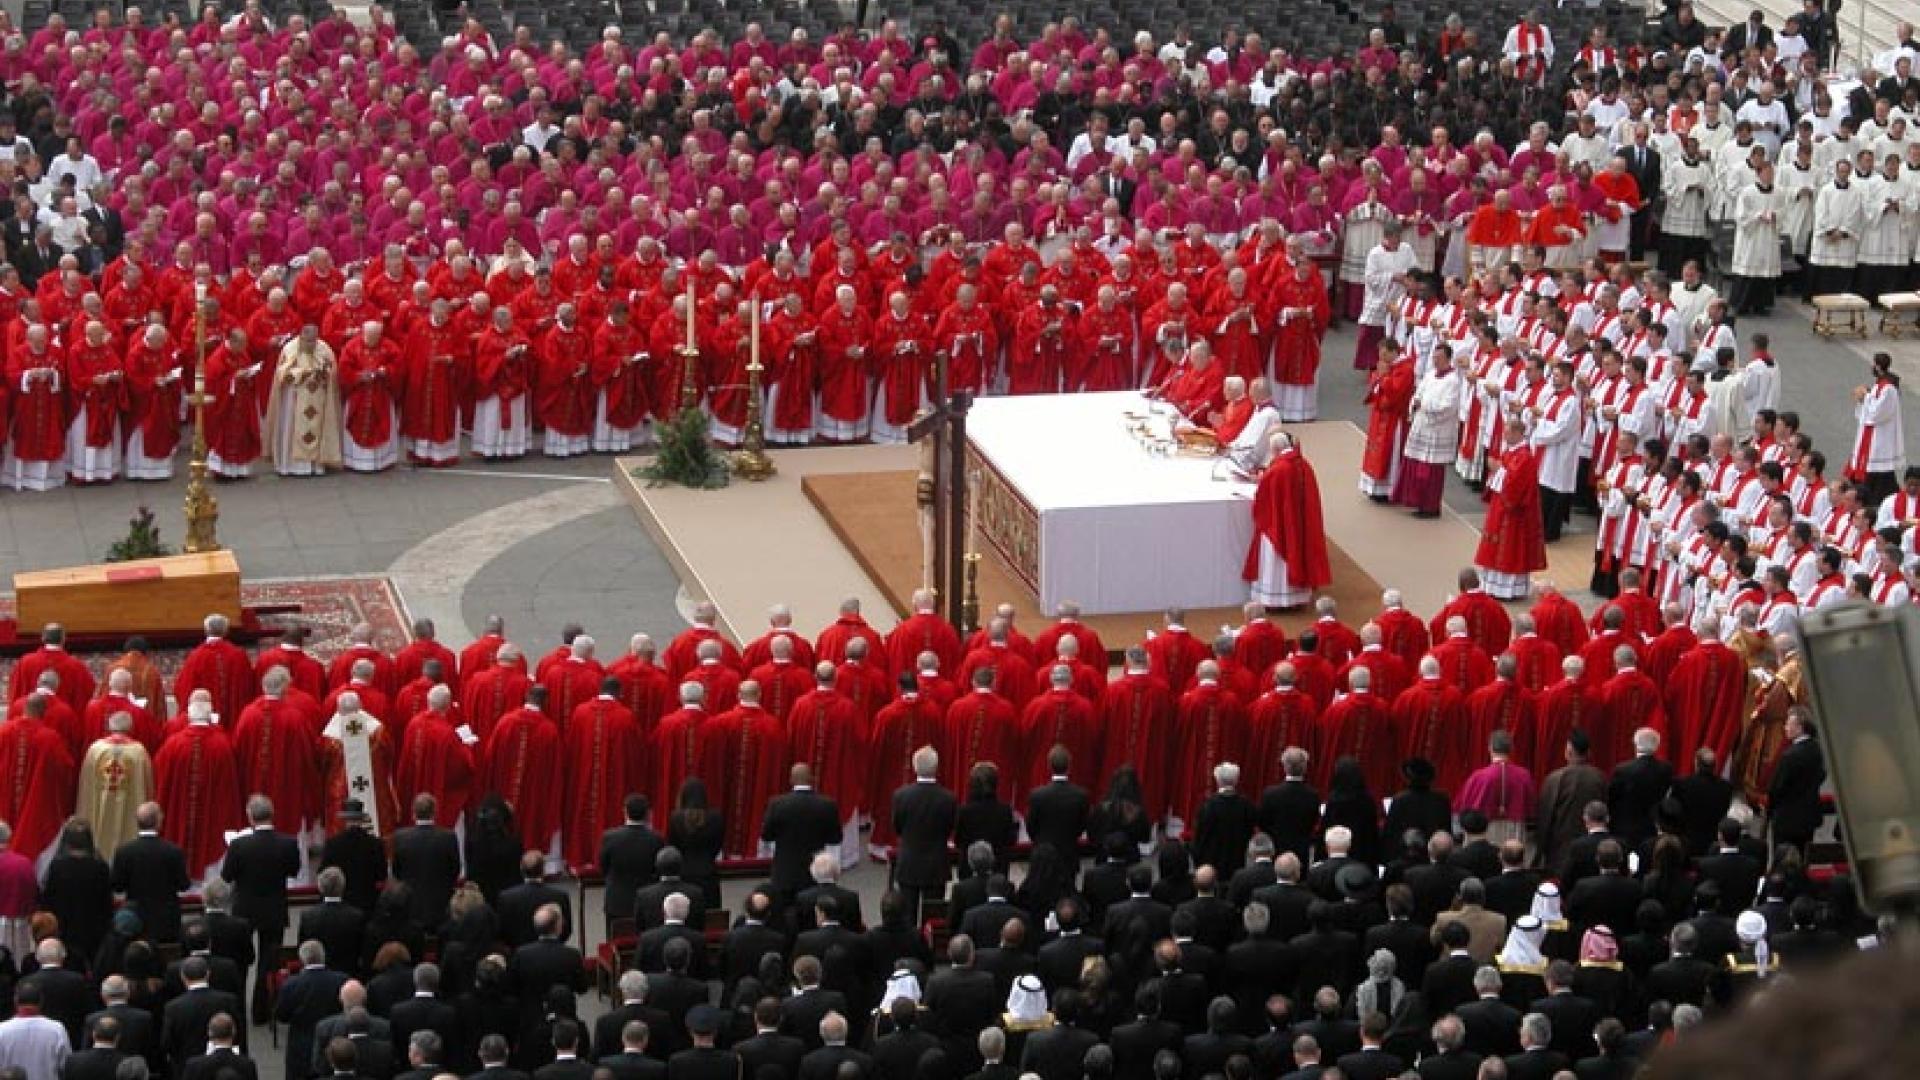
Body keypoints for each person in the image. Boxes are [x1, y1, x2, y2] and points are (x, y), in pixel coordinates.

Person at [1244, 432, 1331, 610]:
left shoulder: (1278, 469)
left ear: (1276, 449)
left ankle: (1274, 601)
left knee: (1275, 562)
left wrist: (1260, 482)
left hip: (1277, 526)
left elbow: (1264, 501)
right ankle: (1296, 599)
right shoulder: (1304, 464)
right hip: (1299, 524)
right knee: (1296, 555)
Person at [265, 324, 343, 475]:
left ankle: (314, 466)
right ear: (301, 337)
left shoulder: (324, 348)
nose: (311, 344)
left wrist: (324, 373)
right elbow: (282, 374)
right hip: (295, 397)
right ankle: (290, 466)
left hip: (318, 398)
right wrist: (304, 373)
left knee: (316, 428)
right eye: (308, 341)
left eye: (314, 341)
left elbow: (332, 371)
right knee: (292, 430)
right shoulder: (290, 349)